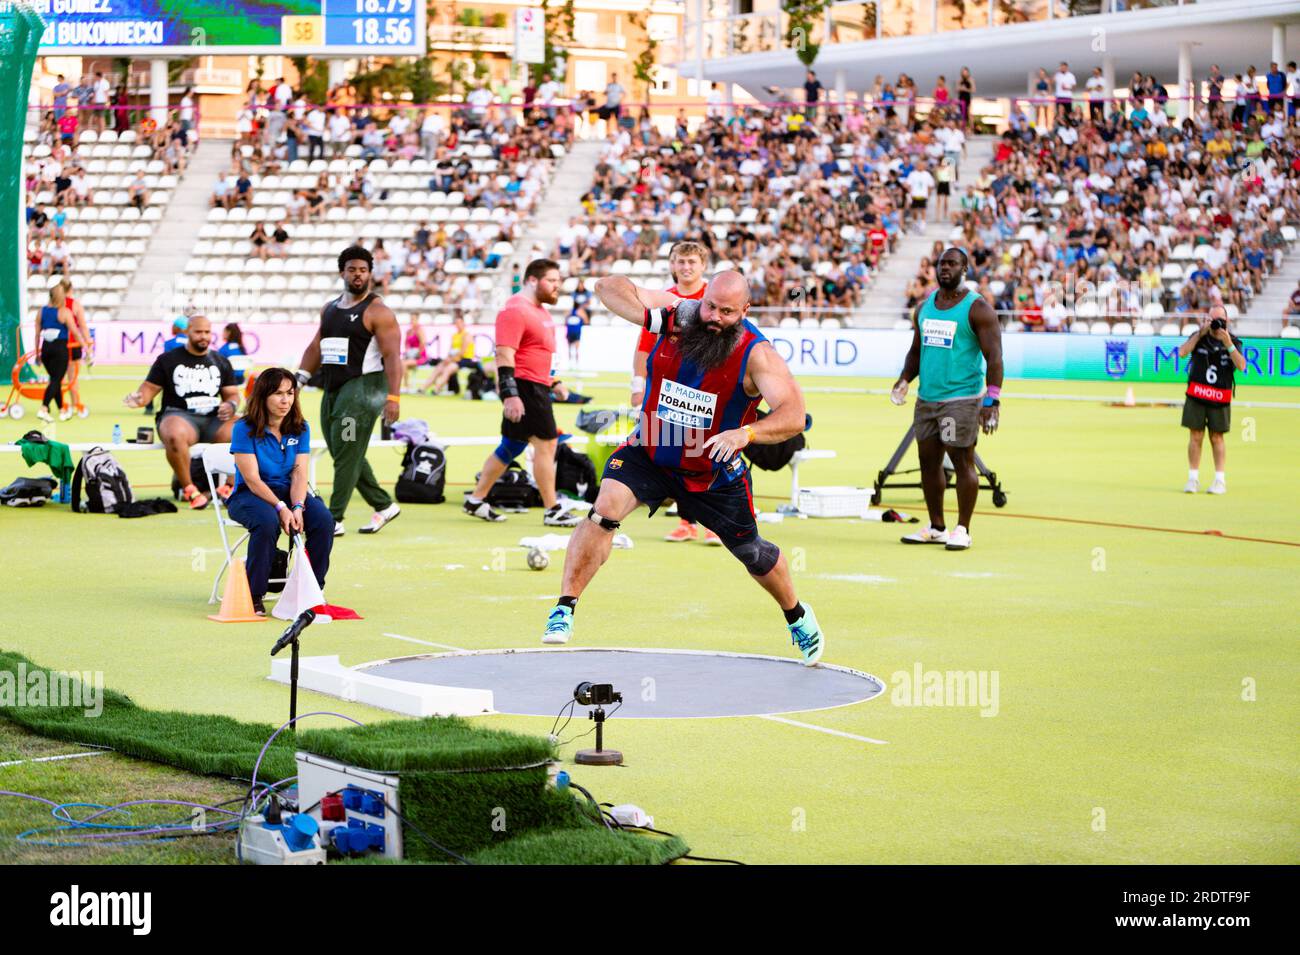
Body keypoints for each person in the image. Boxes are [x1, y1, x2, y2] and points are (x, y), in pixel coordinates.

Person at [539, 271, 825, 665]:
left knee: (752, 552)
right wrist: (664, 310)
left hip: (711, 470)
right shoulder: (679, 316)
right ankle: (564, 608)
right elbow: (607, 287)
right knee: (604, 510)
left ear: (744, 311)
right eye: (710, 305)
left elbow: (793, 415)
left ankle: (796, 614)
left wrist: (746, 434)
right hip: (652, 450)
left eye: (726, 311)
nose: (714, 317)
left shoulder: (756, 354)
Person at [889, 248, 1003, 551]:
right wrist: (904, 380)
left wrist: (992, 400)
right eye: (942, 264)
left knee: (961, 461)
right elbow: (916, 352)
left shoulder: (977, 309)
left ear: (964, 269)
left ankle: (962, 528)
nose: (945, 269)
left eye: (952, 264)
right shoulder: (925, 307)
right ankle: (937, 526)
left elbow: (995, 356)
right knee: (928, 462)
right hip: (927, 399)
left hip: (960, 400)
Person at [462, 259, 581, 527]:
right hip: (524, 386)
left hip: (537, 384)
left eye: (558, 282)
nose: (556, 287)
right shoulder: (515, 310)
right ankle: (552, 509)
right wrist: (510, 394)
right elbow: (504, 353)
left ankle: (476, 500)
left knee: (511, 446)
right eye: (552, 281)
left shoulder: (542, 312)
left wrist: (554, 381)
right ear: (532, 280)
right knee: (547, 443)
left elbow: (542, 354)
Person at [296, 246, 402, 536]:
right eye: (352, 269)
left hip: (363, 389)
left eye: (363, 270)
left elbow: (393, 357)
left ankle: (333, 518)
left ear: (370, 274)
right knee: (344, 449)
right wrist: (298, 381)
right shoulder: (329, 309)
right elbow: (316, 345)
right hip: (333, 388)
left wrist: (393, 397)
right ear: (342, 272)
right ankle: (383, 505)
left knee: (345, 449)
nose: (358, 275)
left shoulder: (378, 312)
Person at [626, 241, 720, 545]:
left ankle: (716, 523)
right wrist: (638, 387)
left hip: (709, 386)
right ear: (672, 264)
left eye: (692, 261)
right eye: (681, 261)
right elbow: (644, 346)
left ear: (703, 265)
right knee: (680, 453)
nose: (686, 267)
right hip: (670, 390)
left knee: (713, 453)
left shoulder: (714, 298)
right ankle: (686, 521)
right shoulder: (662, 301)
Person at [226, 368, 334, 617]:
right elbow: (252, 479)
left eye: (290, 393)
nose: (286, 400)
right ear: (263, 396)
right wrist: (281, 507)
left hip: (289, 493)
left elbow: (299, 474)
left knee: (324, 521)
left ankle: (313, 591)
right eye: (277, 394)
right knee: (266, 522)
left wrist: (297, 506)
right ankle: (254, 594)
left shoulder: (300, 427)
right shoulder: (244, 428)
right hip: (249, 496)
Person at [123, 314, 240, 509]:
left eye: (207, 332)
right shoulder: (168, 359)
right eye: (198, 332)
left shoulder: (220, 361)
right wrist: (138, 399)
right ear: (187, 332)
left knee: (244, 428)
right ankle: (190, 489)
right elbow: (148, 390)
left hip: (213, 418)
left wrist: (231, 406)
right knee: (174, 433)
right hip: (180, 415)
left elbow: (233, 394)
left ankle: (229, 486)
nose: (203, 336)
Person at [1178, 304, 1245, 495]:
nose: (1216, 323)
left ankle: (1220, 480)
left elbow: (1241, 365)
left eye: (1220, 320)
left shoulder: (1233, 341)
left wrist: (1228, 343)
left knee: (1217, 437)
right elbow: (1182, 352)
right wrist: (1201, 332)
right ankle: (1193, 479)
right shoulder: (1198, 336)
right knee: (1195, 435)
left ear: (1227, 321)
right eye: (1212, 319)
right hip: (1197, 394)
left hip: (1219, 397)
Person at [34, 286, 73, 423]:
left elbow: (37, 334)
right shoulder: (64, 312)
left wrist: (38, 353)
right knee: (56, 380)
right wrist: (87, 346)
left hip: (46, 350)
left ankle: (62, 410)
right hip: (59, 349)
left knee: (55, 380)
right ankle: (44, 408)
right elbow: (74, 330)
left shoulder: (41, 311)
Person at [59, 277, 90, 418]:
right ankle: (75, 404)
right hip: (72, 345)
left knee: (58, 377)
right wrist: (88, 342)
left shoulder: (55, 304)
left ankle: (63, 405)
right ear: (71, 289)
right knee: (73, 378)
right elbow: (82, 326)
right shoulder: (75, 305)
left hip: (58, 345)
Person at [424, 315, 480, 394]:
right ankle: (423, 388)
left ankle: (436, 389)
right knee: (439, 367)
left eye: (459, 323)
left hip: (465, 359)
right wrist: (448, 359)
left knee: (448, 369)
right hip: (454, 359)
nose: (457, 325)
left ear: (463, 323)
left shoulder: (467, 335)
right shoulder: (454, 335)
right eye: (456, 323)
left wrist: (451, 359)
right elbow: (451, 350)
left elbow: (462, 352)